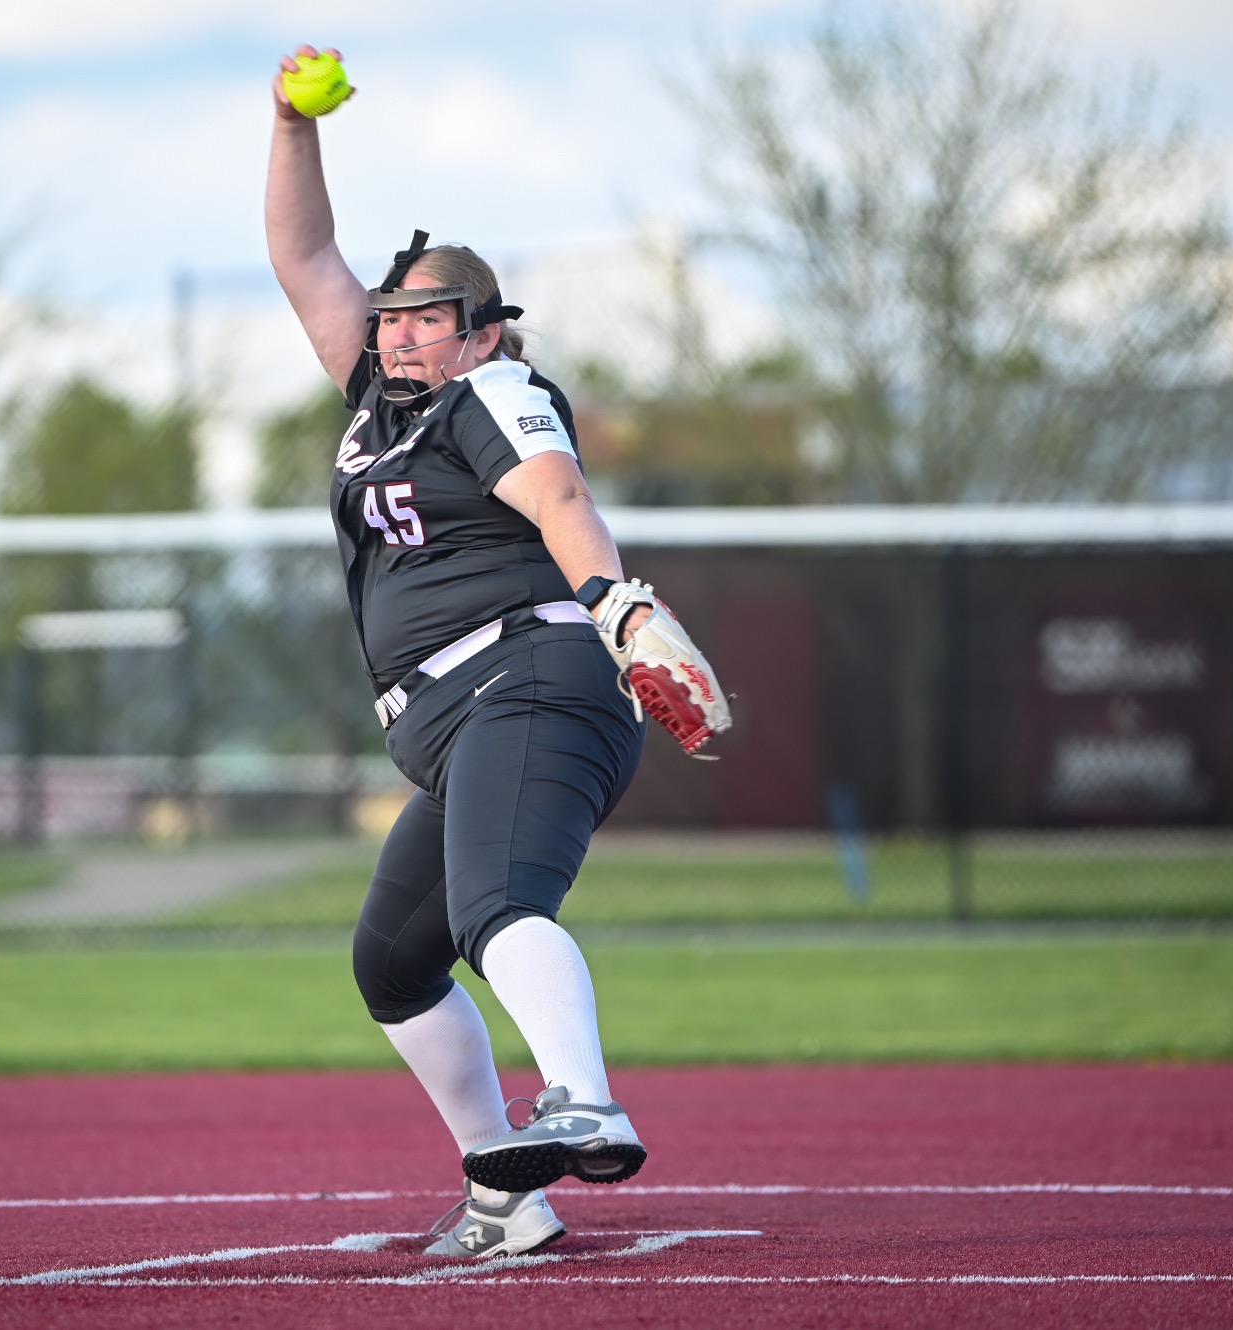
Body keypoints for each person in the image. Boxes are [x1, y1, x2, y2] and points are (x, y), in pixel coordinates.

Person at [265, 44, 685, 1260]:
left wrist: (617, 602)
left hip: (533, 674)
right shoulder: (379, 400)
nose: (399, 334)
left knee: (498, 907)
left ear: (484, 329)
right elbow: (301, 259)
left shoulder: (493, 390)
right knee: (394, 961)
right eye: (392, 316)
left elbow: (557, 501)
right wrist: (290, 124)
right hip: (457, 720)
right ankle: (507, 1194)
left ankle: (582, 1098)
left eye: (427, 318)